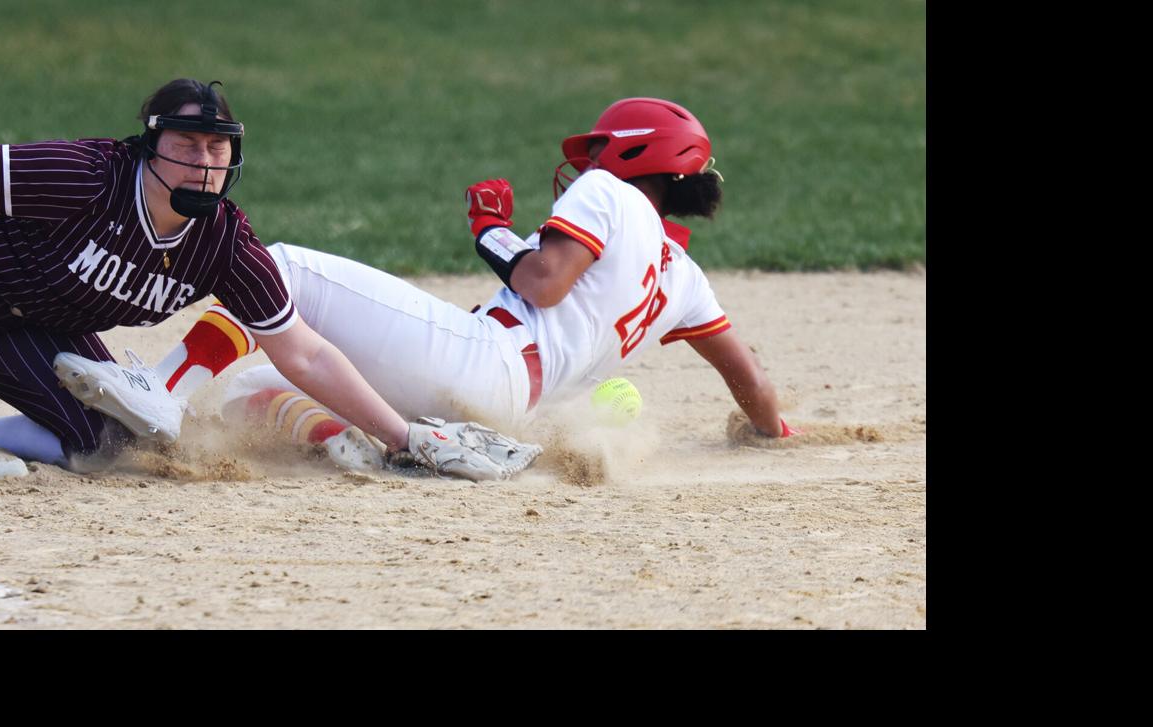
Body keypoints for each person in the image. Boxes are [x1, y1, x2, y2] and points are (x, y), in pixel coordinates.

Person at [0, 78, 535, 505]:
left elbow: (302, 348)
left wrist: (402, 437)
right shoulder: (91, 175)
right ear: (151, 147)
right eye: (188, 145)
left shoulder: (222, 238)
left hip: (21, 317)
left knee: (112, 444)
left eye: (219, 148)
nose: (205, 163)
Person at [125, 96, 798, 465]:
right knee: (257, 384)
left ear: (631, 154)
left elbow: (542, 283)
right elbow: (753, 384)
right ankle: (347, 443)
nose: (587, 161)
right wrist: (770, 431)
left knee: (281, 268)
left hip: (484, 361)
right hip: (502, 409)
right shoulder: (685, 279)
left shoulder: (608, 193)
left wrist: (488, 231)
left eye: (599, 148)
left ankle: (159, 390)